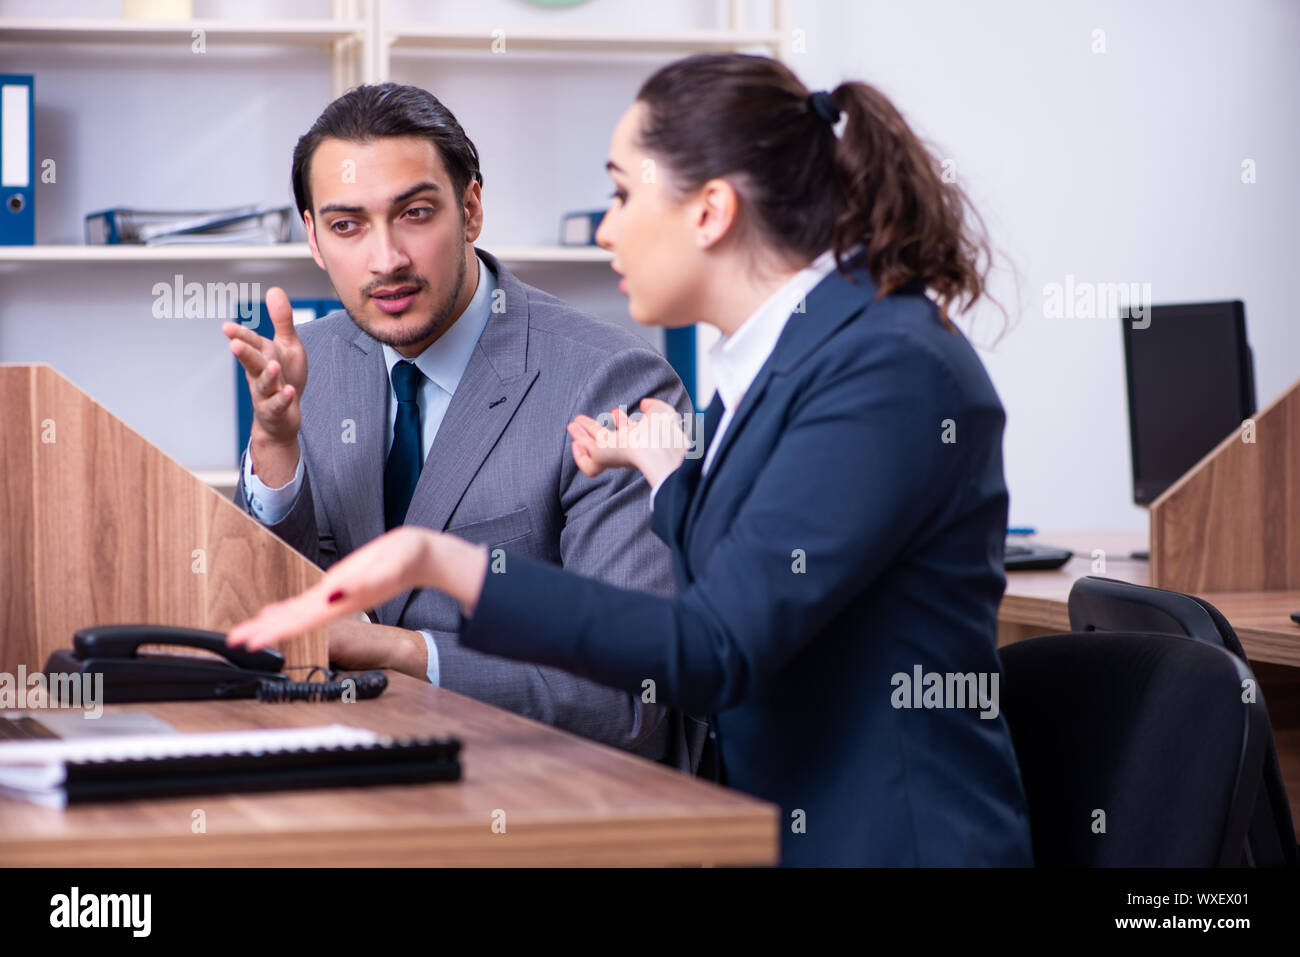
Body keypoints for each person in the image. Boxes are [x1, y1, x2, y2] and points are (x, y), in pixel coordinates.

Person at [229, 54, 1034, 867]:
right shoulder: (774, 359)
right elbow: (759, 570)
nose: (607, 228)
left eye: (621, 194)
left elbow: (715, 648)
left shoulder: (884, 367)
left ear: (711, 211)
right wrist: (672, 481)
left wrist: (446, 563)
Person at [222, 82, 705, 772]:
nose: (386, 258)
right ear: (314, 238)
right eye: (348, 225)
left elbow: (630, 691)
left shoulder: (608, 381)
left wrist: (407, 655)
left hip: (551, 802)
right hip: (350, 783)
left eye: (415, 214)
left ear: (471, 208)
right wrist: (274, 443)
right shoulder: (312, 362)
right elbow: (276, 610)